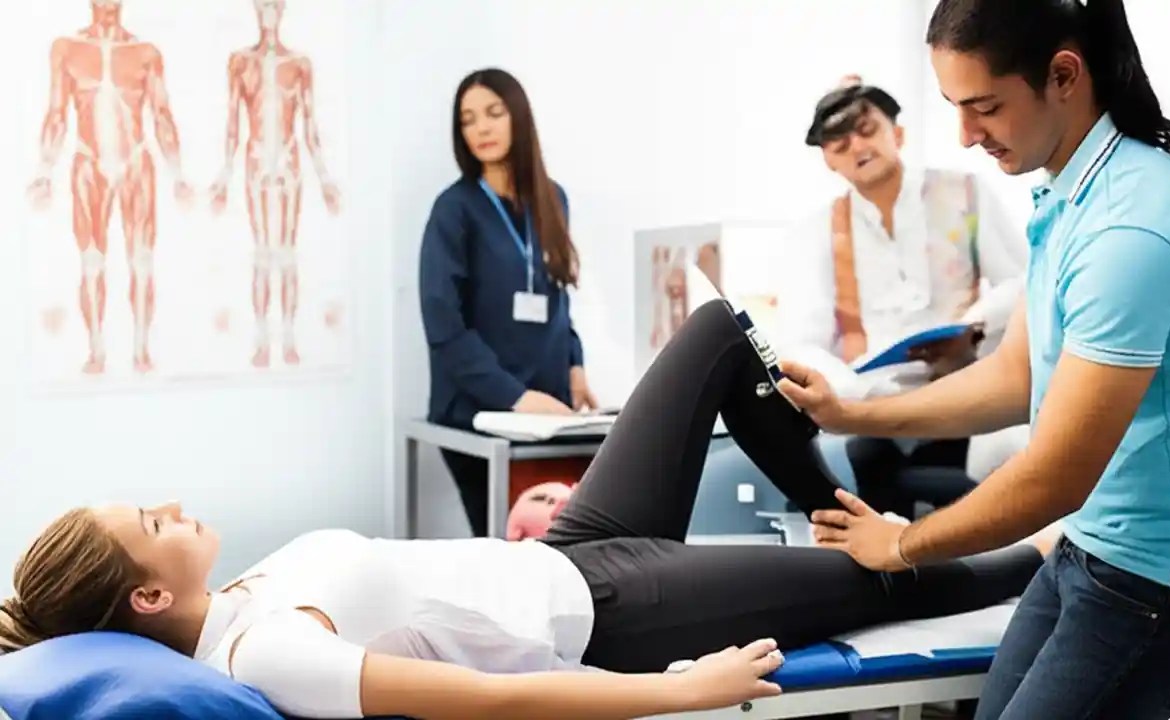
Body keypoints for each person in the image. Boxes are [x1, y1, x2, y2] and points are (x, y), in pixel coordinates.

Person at [0, 299, 1057, 720]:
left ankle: (854, 512)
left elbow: (420, 585)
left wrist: (530, 520)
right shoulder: (265, 653)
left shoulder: (237, 593)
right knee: (884, 580)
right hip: (614, 610)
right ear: (145, 591)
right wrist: (686, 695)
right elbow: (490, 701)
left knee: (719, 333)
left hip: (573, 543)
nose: (174, 504)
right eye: (152, 517)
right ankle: (1044, 548)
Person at [778, 1, 1170, 718]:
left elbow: (1056, 477)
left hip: (1168, 583)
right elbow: (1018, 374)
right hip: (1090, 549)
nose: (967, 136)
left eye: (985, 108)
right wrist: (852, 412)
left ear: (1064, 76)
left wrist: (904, 544)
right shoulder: (1067, 196)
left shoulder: (1130, 228)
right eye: (954, 107)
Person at [778, 75, 1027, 520]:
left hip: (963, 392)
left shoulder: (965, 194)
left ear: (898, 133)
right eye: (837, 142)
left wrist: (975, 327)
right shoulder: (816, 232)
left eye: (866, 128)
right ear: (828, 162)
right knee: (862, 480)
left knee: (1002, 471)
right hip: (874, 409)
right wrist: (852, 395)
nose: (856, 146)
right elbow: (801, 339)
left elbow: (1024, 284)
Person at [420, 68, 598, 537]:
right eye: (468, 119)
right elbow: (443, 326)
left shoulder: (552, 198)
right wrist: (514, 397)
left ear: (518, 117)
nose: (481, 128)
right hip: (477, 411)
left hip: (547, 415)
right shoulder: (454, 209)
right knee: (505, 552)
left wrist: (575, 365)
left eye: (494, 113)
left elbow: (558, 295)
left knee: (563, 548)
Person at [27, 0, 193, 375]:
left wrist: (177, 174)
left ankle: (140, 350)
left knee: (142, 262)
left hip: (136, 162)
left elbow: (162, 114)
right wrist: (44, 170)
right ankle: (97, 349)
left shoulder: (145, 53)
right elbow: (56, 113)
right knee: (91, 263)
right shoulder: (66, 48)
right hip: (90, 162)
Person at [210, 0, 342, 368]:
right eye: (262, 4)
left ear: (282, 9)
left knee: (286, 252)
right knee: (262, 252)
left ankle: (288, 336)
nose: (268, 10)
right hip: (255, 160)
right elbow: (234, 123)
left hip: (288, 160)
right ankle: (261, 338)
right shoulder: (241, 62)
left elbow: (310, 125)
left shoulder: (298, 64)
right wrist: (223, 176)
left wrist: (325, 179)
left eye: (274, 4)